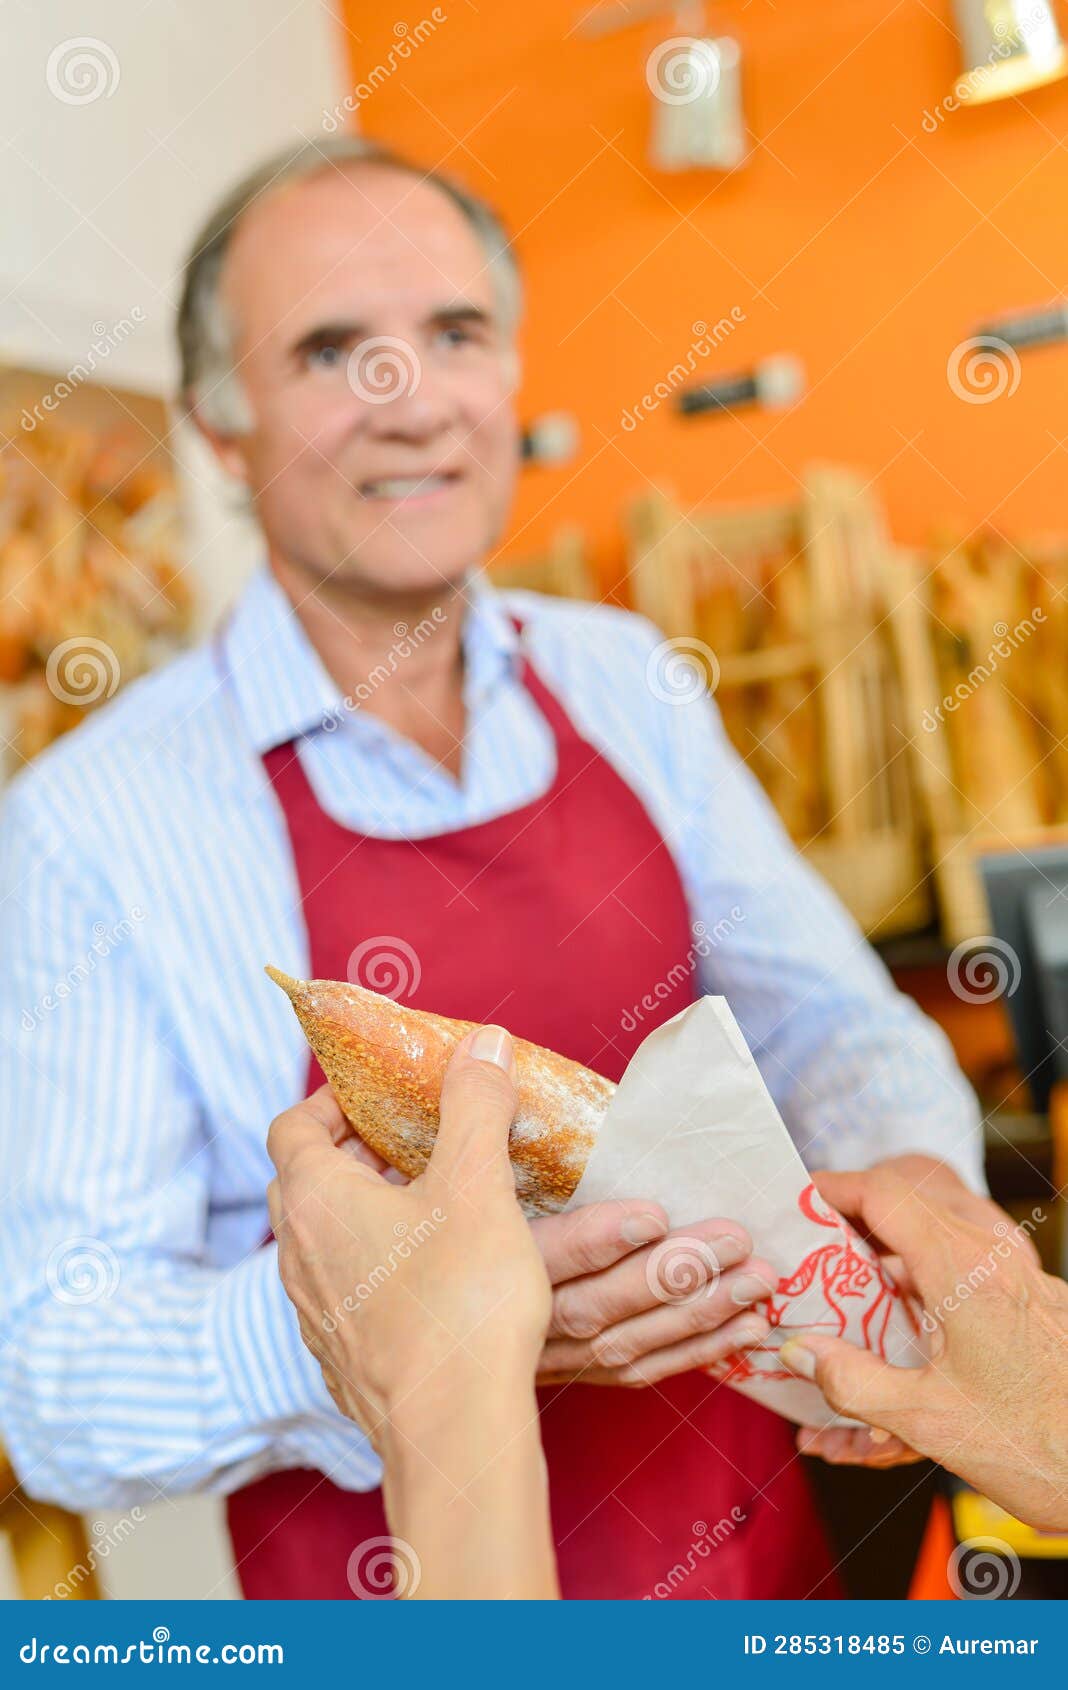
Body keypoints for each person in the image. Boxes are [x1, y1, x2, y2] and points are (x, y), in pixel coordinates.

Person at [0, 134, 983, 1601]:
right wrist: (380, 1322)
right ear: (218, 425)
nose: (413, 404)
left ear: (509, 374)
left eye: (453, 334)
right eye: (334, 350)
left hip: (765, 1568)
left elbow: (836, 1025)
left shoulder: (629, 680)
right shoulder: (92, 823)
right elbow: (53, 1377)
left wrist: (924, 1201)